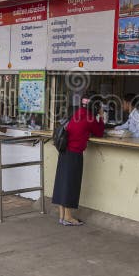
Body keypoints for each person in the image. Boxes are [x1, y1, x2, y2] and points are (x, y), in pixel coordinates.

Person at [53, 93, 105, 226]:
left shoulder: (78, 113)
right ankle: (68, 217)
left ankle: (62, 216)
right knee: (71, 184)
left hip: (64, 152)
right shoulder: (90, 118)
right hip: (74, 154)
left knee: (62, 183)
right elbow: (99, 132)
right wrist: (102, 116)